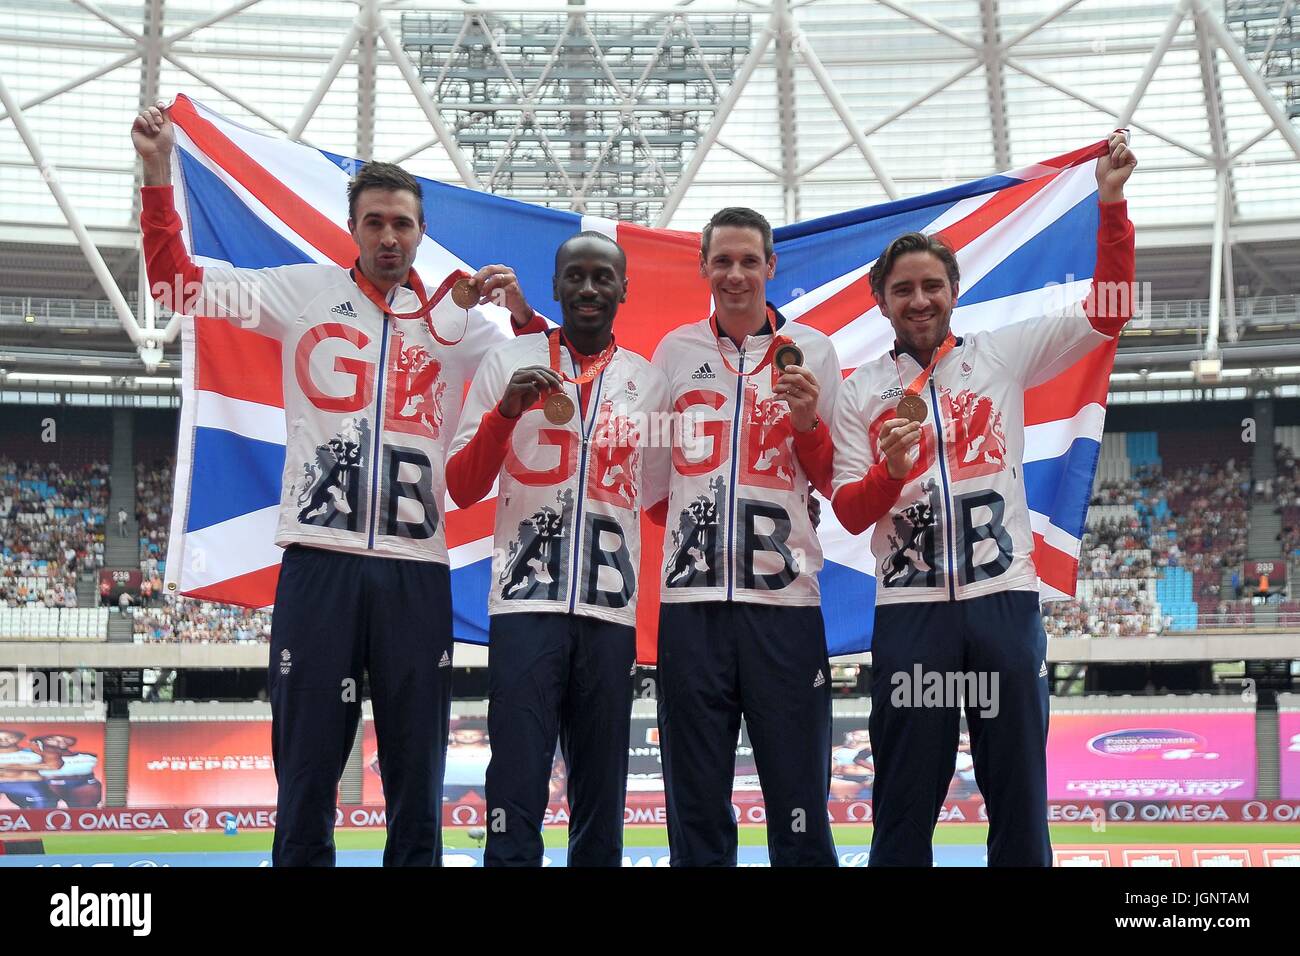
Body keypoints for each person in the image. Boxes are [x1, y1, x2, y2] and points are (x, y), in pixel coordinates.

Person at [131, 100, 546, 867]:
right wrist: (158, 172)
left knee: (416, 780)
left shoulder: (461, 327)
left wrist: (519, 308)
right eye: (376, 222)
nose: (390, 237)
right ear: (354, 228)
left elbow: (553, 381)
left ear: (421, 233)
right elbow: (176, 288)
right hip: (317, 562)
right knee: (307, 776)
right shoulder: (305, 294)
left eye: (404, 224)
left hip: (415, 572)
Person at [829, 130, 1138, 866]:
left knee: (1019, 804)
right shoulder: (859, 393)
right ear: (880, 302)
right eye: (902, 288)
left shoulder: (999, 355)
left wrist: (1113, 204)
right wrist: (887, 474)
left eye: (931, 285)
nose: (919, 298)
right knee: (903, 808)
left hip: (1003, 605)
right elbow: (846, 511)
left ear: (954, 291)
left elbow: (1110, 311)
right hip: (910, 620)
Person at [446, 232, 669, 866]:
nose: (590, 289)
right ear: (557, 285)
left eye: (604, 277)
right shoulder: (506, 363)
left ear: (624, 289)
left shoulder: (648, 383)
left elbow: (657, 498)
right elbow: (461, 487)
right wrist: (506, 414)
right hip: (524, 609)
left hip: (608, 616)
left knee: (600, 805)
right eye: (576, 276)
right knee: (513, 792)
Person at [649, 206, 840, 867]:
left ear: (771, 266)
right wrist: (699, 536)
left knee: (799, 803)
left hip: (784, 610)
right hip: (691, 613)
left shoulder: (814, 350)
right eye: (722, 261)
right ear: (704, 267)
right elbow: (653, 490)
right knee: (696, 806)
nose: (735, 274)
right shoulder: (673, 353)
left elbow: (832, 477)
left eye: (748, 260)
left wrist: (809, 420)